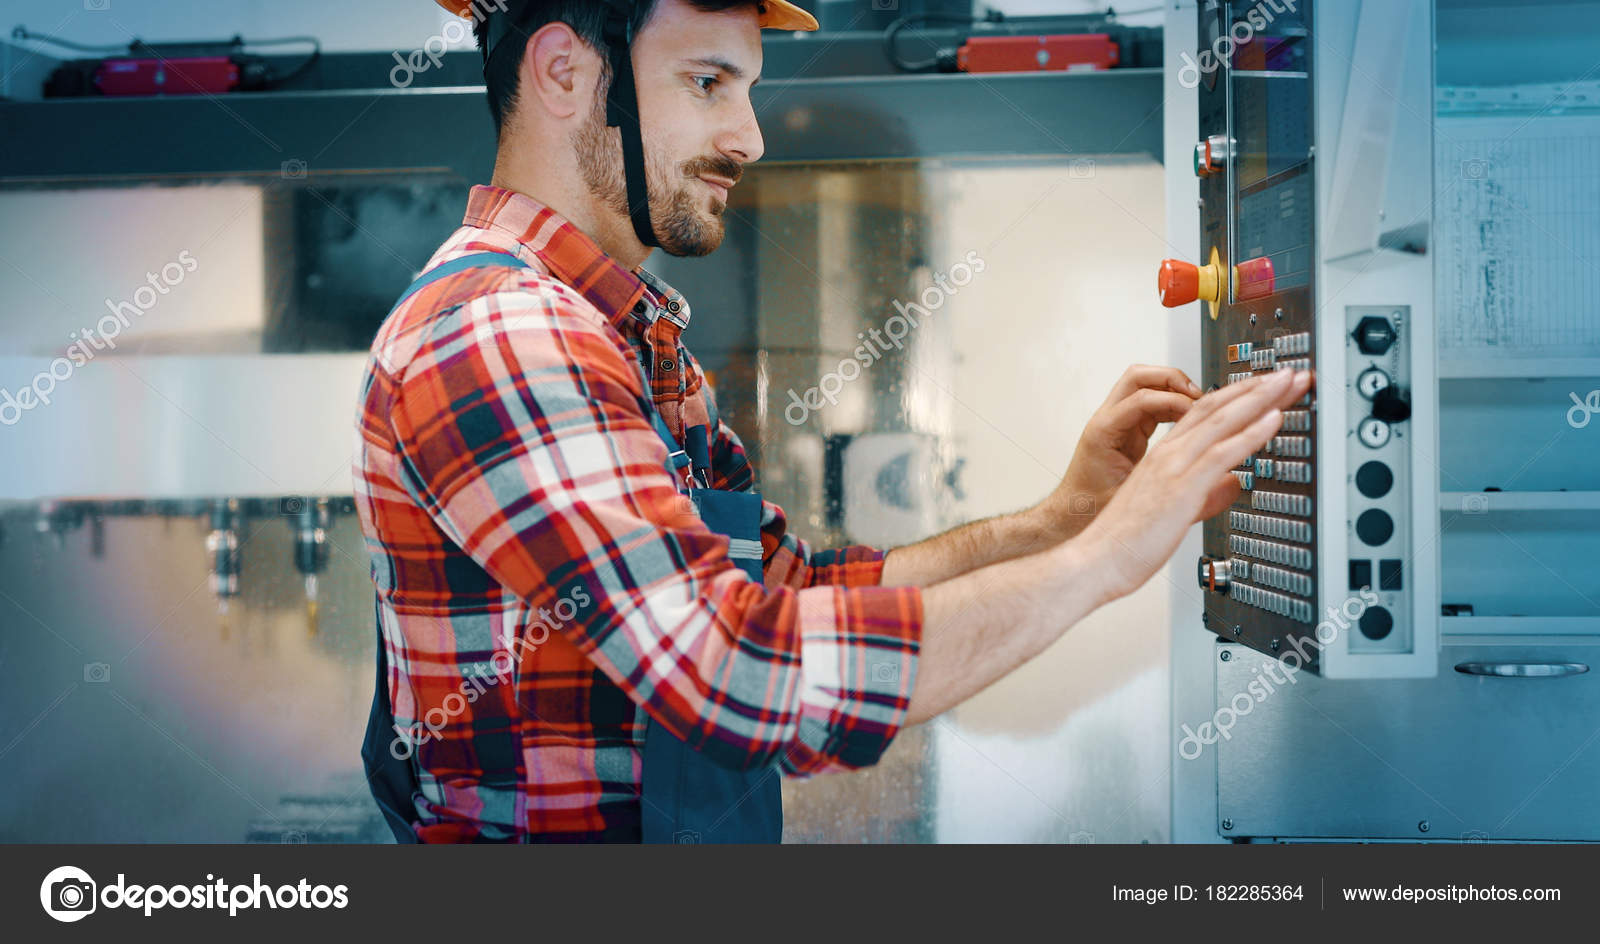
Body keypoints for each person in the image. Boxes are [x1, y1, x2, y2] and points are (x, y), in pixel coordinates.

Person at [353, 0, 1314, 843]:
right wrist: (1108, 561)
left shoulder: (622, 334)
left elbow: (791, 591)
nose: (748, 137)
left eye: (746, 89)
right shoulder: (502, 328)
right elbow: (733, 675)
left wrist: (1063, 522)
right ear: (565, 72)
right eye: (709, 82)